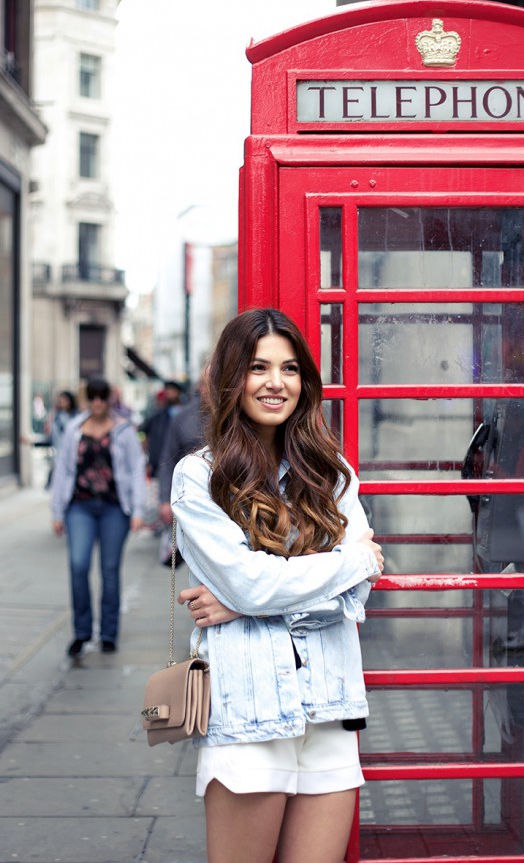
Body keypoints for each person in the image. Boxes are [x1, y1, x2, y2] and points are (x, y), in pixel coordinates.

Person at [171, 309, 384, 863]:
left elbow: (356, 594)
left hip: (330, 709)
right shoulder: (199, 476)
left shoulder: (331, 471)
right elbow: (256, 584)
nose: (275, 382)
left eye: (289, 368)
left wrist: (243, 605)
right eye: (258, 367)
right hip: (250, 712)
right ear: (232, 377)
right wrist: (343, 565)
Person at [51, 377, 147, 657]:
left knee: (109, 570)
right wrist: (57, 511)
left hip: (114, 509)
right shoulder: (74, 429)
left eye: (102, 397)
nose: (97, 403)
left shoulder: (124, 431)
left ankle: (108, 633)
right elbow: (63, 470)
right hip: (79, 507)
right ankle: (81, 633)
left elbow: (135, 471)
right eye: (92, 397)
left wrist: (138, 511)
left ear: (109, 400)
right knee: (78, 566)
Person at [157, 377, 207, 564]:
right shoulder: (183, 417)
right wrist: (164, 500)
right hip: (187, 498)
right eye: (205, 384)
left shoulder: (236, 416)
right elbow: (167, 460)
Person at [139, 380, 185, 479]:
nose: (169, 393)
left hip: (181, 463)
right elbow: (142, 432)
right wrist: (144, 445)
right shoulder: (157, 417)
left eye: (172, 390)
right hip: (159, 466)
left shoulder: (186, 414)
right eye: (167, 390)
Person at [44, 390, 78, 488]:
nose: (61, 402)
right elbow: (51, 438)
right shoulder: (56, 418)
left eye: (64, 400)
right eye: (60, 400)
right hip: (60, 455)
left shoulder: (77, 417)